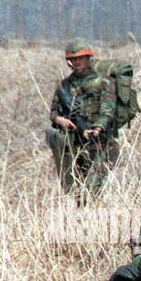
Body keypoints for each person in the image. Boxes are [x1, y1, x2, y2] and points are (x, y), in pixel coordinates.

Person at [46, 40, 119, 198]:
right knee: (74, 191)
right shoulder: (65, 86)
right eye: (73, 59)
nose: (77, 62)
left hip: (99, 143)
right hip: (73, 145)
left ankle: (92, 216)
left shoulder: (104, 82)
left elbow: (108, 111)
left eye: (81, 58)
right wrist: (60, 120)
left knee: (93, 189)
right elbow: (53, 112)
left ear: (88, 58)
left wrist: (97, 129)